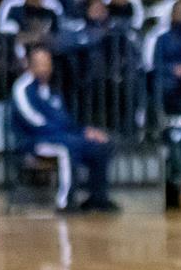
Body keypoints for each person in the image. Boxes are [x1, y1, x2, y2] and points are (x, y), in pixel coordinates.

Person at [10, 46, 118, 213]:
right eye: (40, 64)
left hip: (62, 136)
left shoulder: (51, 89)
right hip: (34, 141)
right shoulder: (23, 88)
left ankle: (98, 199)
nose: (45, 68)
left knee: (101, 145)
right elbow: (33, 121)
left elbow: (65, 120)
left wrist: (85, 132)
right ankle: (66, 201)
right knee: (66, 148)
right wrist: (66, 134)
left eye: (47, 64)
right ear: (30, 66)